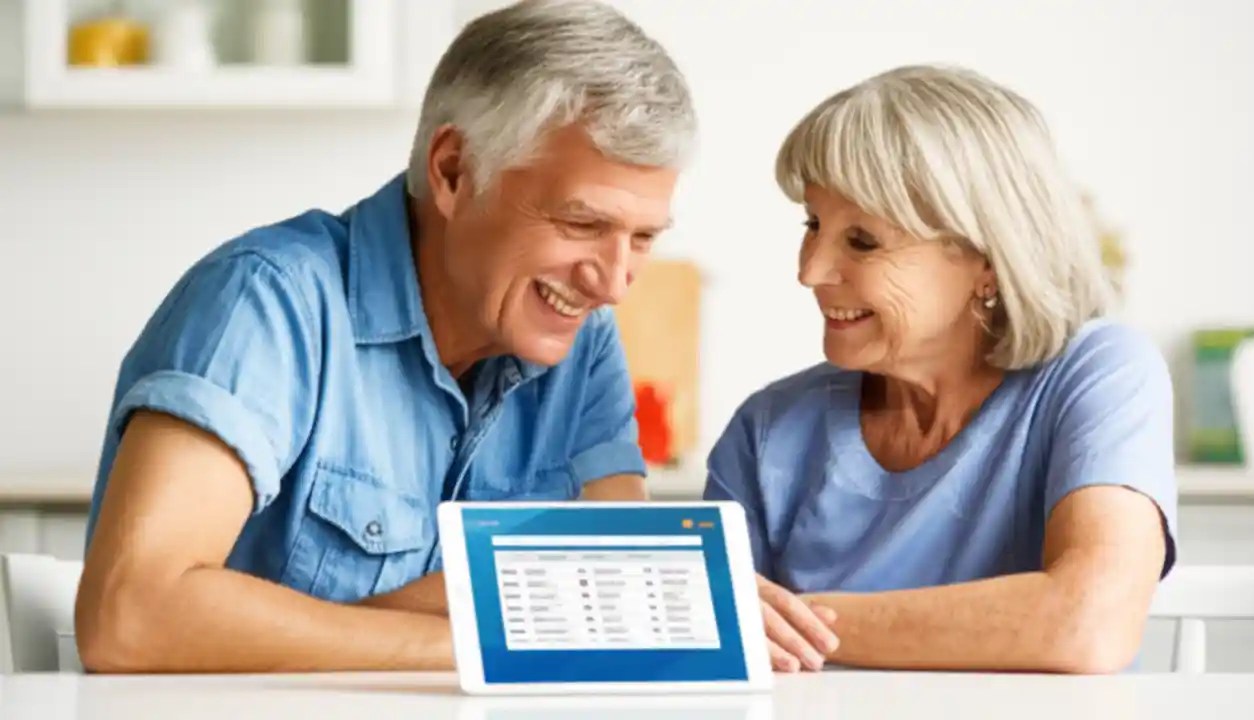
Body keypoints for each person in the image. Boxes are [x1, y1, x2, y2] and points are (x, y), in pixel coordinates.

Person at [74, 0, 695, 673]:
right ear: (454, 170)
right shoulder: (269, 301)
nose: (612, 282)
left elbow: (624, 594)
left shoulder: (582, 340)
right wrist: (480, 642)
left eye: (642, 238)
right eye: (580, 224)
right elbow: (130, 616)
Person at [705, 65, 1175, 675]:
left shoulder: (1099, 374)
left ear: (987, 259)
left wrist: (794, 619)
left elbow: (1087, 622)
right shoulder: (769, 429)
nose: (811, 271)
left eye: (863, 241)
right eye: (813, 224)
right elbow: (708, 640)